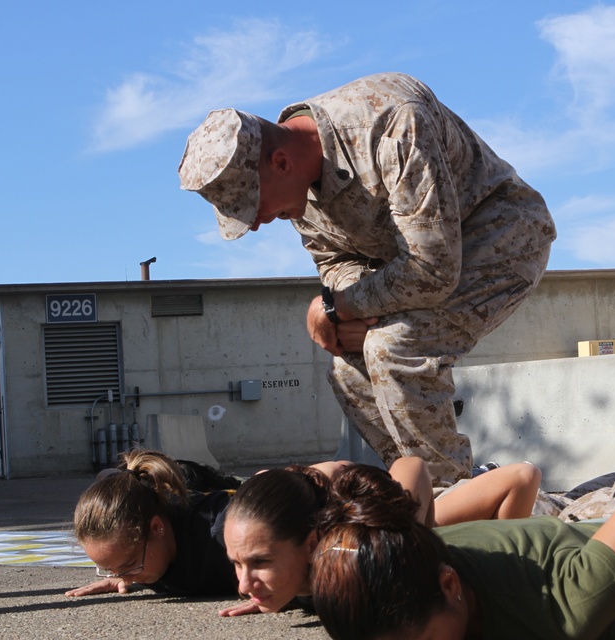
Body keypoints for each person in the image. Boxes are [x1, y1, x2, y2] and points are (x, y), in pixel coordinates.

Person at [178, 72, 556, 487]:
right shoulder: (296, 188)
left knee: (395, 349)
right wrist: (349, 317)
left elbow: (432, 268)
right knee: (349, 367)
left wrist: (336, 308)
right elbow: (334, 262)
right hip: (417, 270)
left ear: (281, 162)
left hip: (501, 237)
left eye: (254, 206)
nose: (254, 224)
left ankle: (452, 508)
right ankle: (419, 488)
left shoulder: (391, 124)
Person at [310, 453, 615, 640]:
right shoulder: (411, 550)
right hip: (588, 526)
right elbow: (412, 465)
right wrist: (362, 611)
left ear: (450, 586)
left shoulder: (566, 611)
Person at [221, 459, 542, 617]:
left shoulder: (368, 554)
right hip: (416, 522)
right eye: (236, 564)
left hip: (409, 525)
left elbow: (412, 464)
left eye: (259, 562)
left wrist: (402, 548)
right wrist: (266, 591)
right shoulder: (268, 537)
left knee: (524, 474)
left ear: (310, 545)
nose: (242, 585)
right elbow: (270, 479)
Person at [66, 450, 237, 598]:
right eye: (110, 569)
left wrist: (262, 588)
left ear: (156, 528)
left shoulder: (226, 532)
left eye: (129, 564)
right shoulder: (140, 555)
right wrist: (119, 571)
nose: (127, 579)